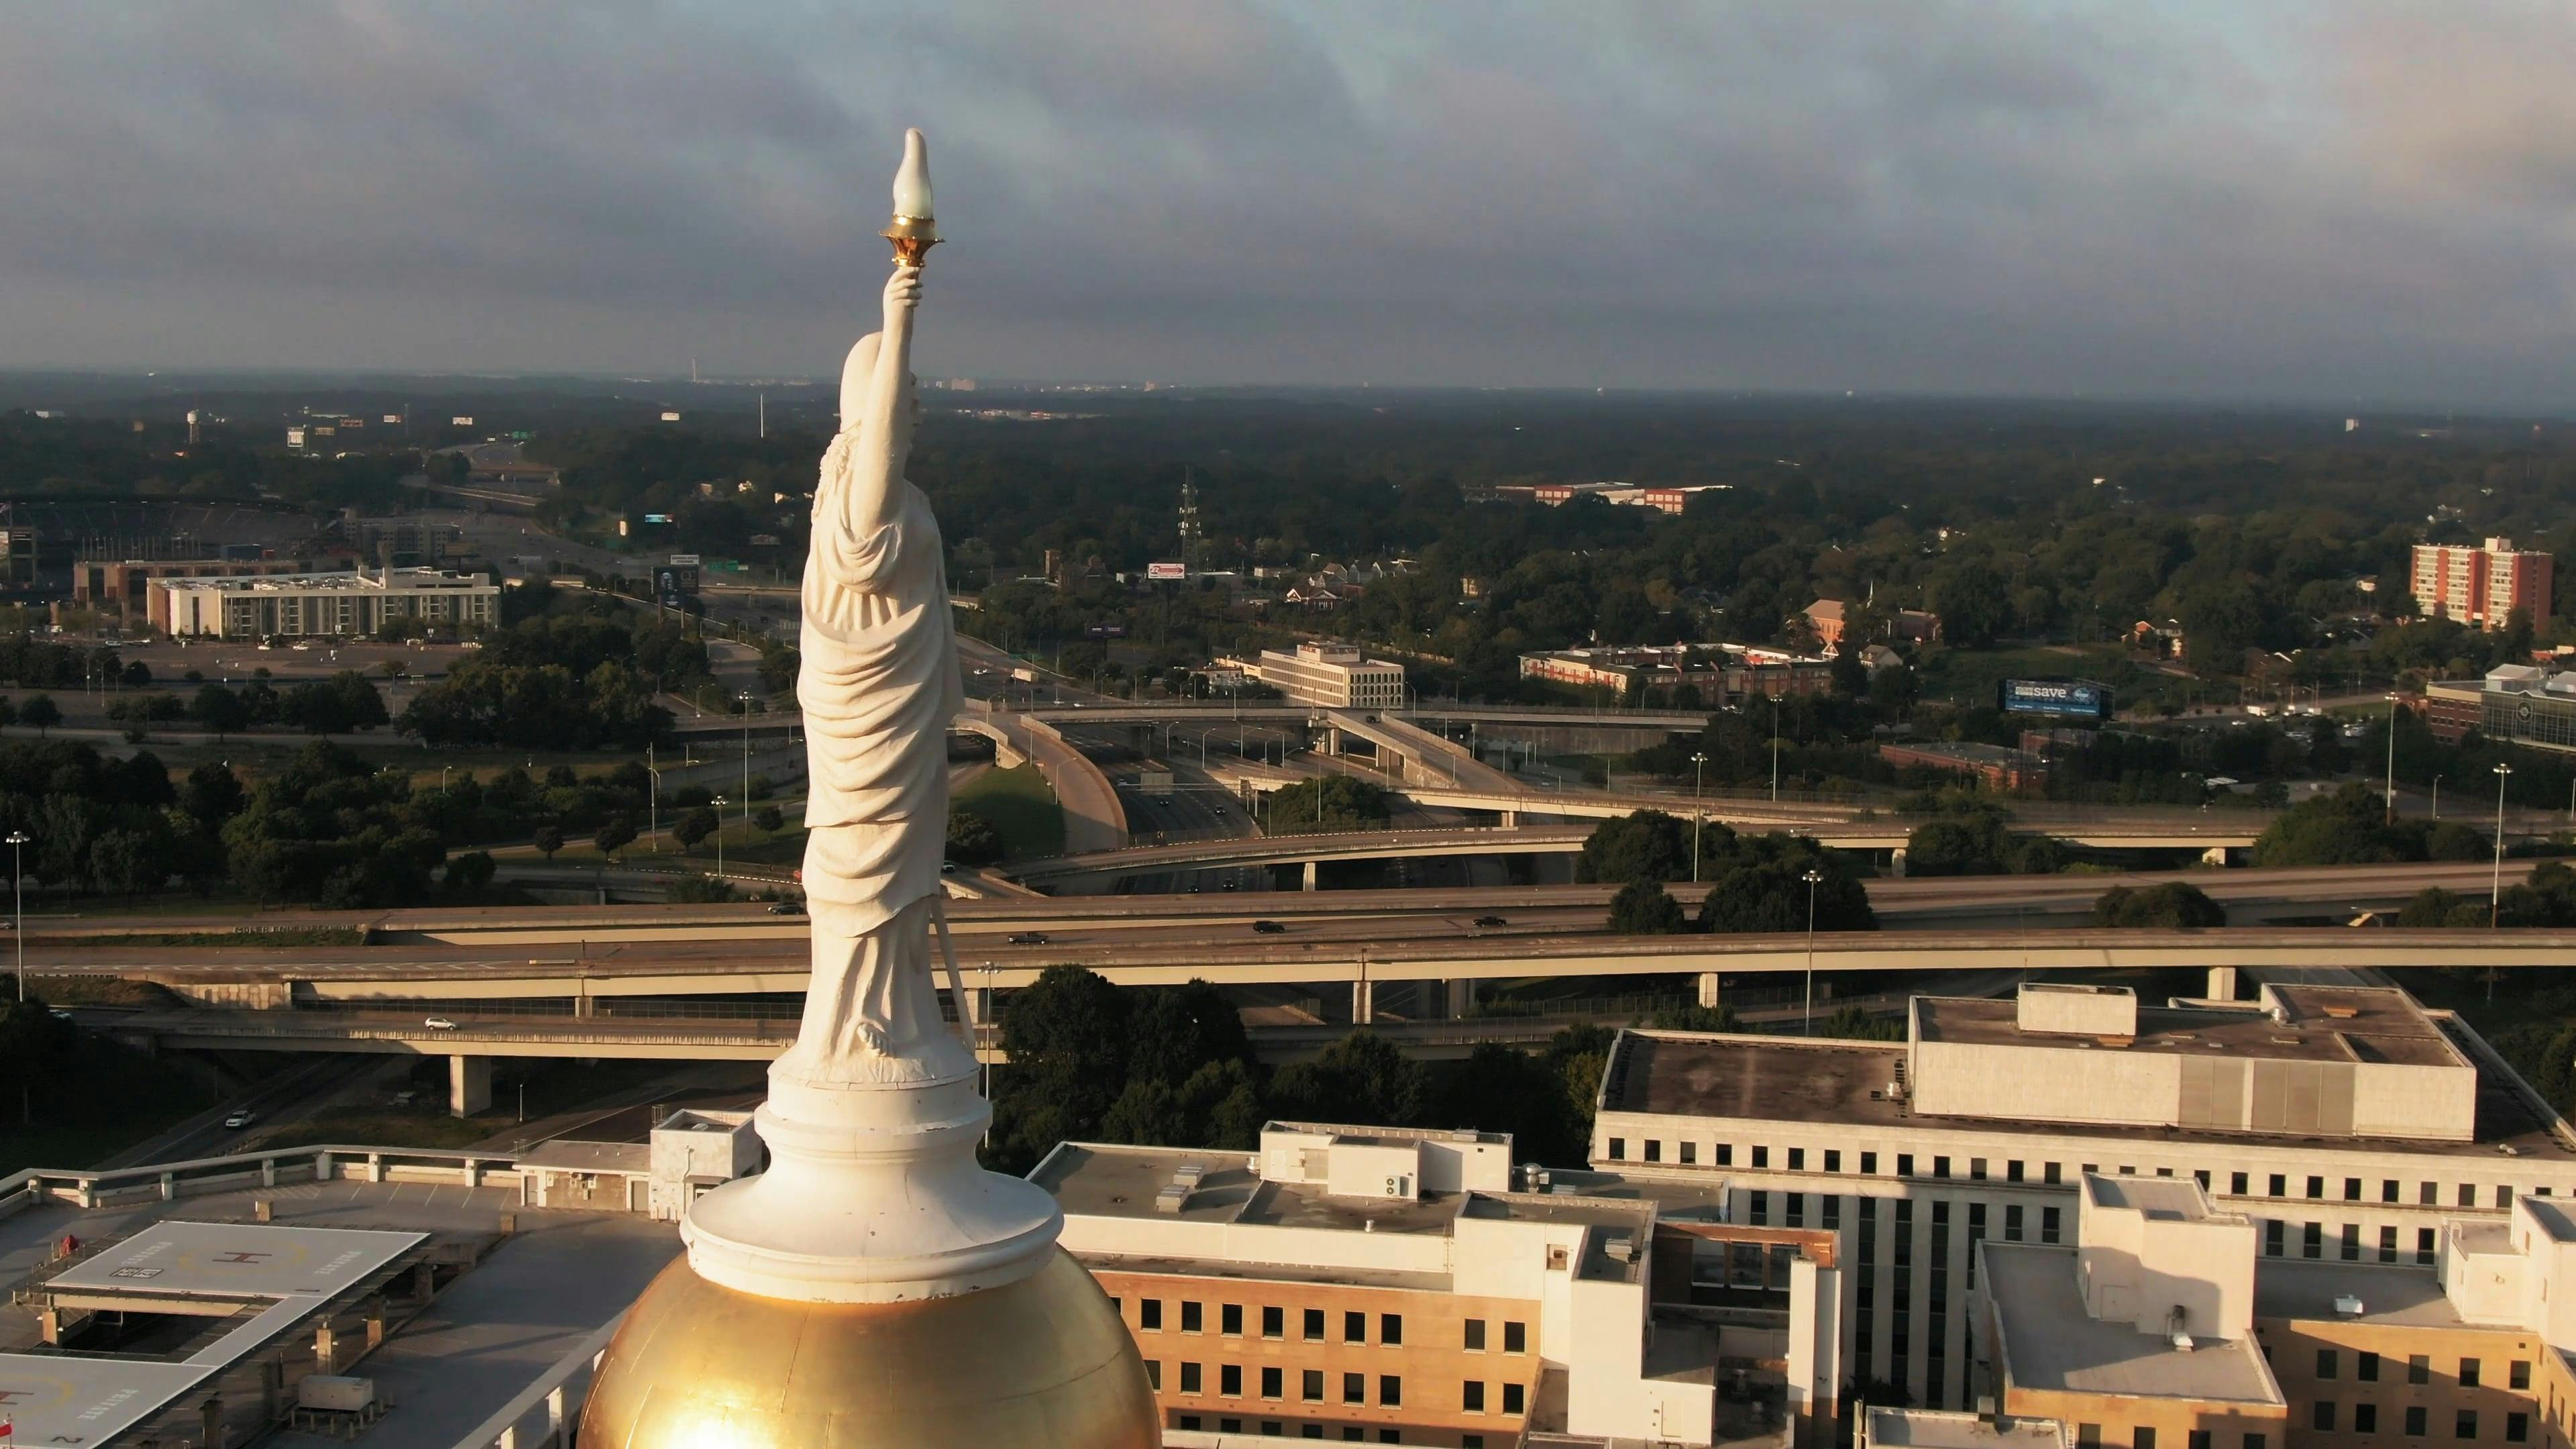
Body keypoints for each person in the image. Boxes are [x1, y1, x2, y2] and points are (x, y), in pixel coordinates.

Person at [775, 262, 967, 1085]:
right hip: (872, 729)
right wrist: (900, 327)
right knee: (865, 876)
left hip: (899, 716)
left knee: (893, 889)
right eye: (907, 393)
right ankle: (856, 1030)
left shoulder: (867, 499)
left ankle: (897, 1014)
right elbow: (881, 432)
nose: (916, 406)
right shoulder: (863, 504)